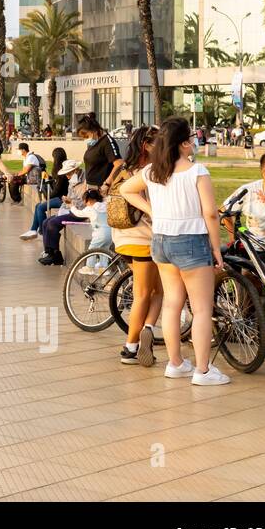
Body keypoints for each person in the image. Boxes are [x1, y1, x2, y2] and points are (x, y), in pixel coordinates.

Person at [119, 116, 229, 386]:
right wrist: (216, 248)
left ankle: (175, 363)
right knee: (202, 309)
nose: (193, 143)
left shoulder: (153, 172)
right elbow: (211, 215)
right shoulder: (196, 172)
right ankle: (203, 371)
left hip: (161, 242)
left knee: (171, 302)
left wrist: (152, 211)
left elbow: (125, 189)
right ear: (182, 143)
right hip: (192, 242)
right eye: (190, 139)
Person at [114, 126, 163, 366]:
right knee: (145, 294)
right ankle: (131, 347)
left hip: (121, 239)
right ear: (147, 145)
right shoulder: (147, 173)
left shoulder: (123, 168)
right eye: (159, 143)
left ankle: (148, 330)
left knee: (157, 291)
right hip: (143, 239)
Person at [37, 160, 89, 265]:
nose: (67, 176)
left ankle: (56, 255)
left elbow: (84, 202)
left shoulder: (85, 181)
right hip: (71, 209)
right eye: (66, 174)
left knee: (53, 223)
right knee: (46, 222)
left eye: (69, 173)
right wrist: (66, 202)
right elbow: (70, 197)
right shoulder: (73, 180)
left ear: (76, 170)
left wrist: (70, 202)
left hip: (80, 212)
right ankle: (50, 252)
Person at [22, 146, 68, 240]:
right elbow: (56, 184)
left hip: (62, 198)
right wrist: (49, 178)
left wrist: (48, 197)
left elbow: (58, 189)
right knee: (38, 205)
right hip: (58, 196)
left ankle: (44, 231)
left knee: (41, 207)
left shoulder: (62, 170)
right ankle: (33, 230)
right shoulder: (60, 168)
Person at [77, 113, 124, 191]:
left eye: (86, 136)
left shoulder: (107, 141)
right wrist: (85, 183)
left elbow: (119, 163)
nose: (86, 139)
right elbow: (91, 165)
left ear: (94, 131)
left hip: (102, 188)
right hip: (90, 187)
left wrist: (107, 183)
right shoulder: (93, 142)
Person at [9, 142, 44, 206]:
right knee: (12, 179)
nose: (18, 151)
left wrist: (16, 175)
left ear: (23, 150)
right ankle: (17, 199)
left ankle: (17, 200)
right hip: (28, 177)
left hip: (33, 178)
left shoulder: (31, 157)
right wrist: (16, 174)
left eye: (19, 150)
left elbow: (26, 170)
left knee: (13, 181)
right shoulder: (26, 158)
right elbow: (24, 170)